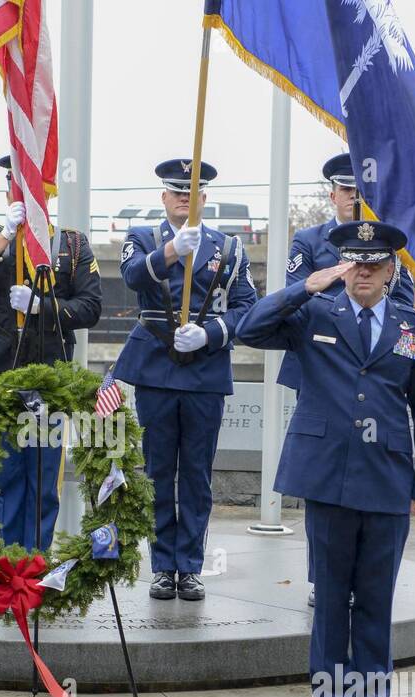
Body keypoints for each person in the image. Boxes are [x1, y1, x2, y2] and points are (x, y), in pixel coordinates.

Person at [239, 219, 415, 697]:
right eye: (354, 262)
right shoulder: (313, 313)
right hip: (328, 475)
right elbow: (249, 329)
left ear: (392, 270)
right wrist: (306, 285)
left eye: (374, 264)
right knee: (330, 595)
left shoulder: (412, 327)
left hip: (388, 477)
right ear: (341, 267)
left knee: (376, 595)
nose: (364, 272)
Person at [116, 158, 258, 601]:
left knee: (196, 474)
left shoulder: (229, 248)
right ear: (163, 198)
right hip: (156, 368)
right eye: (176, 191)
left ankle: (190, 565)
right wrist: (172, 251)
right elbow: (132, 277)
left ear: (203, 198)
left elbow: (246, 306)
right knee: (158, 471)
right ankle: (162, 564)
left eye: (192, 191)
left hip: (205, 371)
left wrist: (211, 332)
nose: (184, 197)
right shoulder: (143, 238)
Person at [285, 155, 414, 608]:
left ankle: (359, 571)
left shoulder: (389, 247)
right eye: (345, 189)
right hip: (321, 367)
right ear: (332, 194)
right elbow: (293, 300)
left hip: (372, 371)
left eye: (360, 190)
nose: (353, 197)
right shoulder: (308, 241)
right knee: (323, 473)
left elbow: (405, 303)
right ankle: (323, 575)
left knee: (363, 470)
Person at [0, 154, 103, 550]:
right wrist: (5, 236)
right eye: (16, 187)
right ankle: (9, 558)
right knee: (4, 476)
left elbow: (91, 309)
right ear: (9, 191)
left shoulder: (71, 244)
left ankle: (36, 560)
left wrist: (42, 306)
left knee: (42, 477)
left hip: (49, 374)